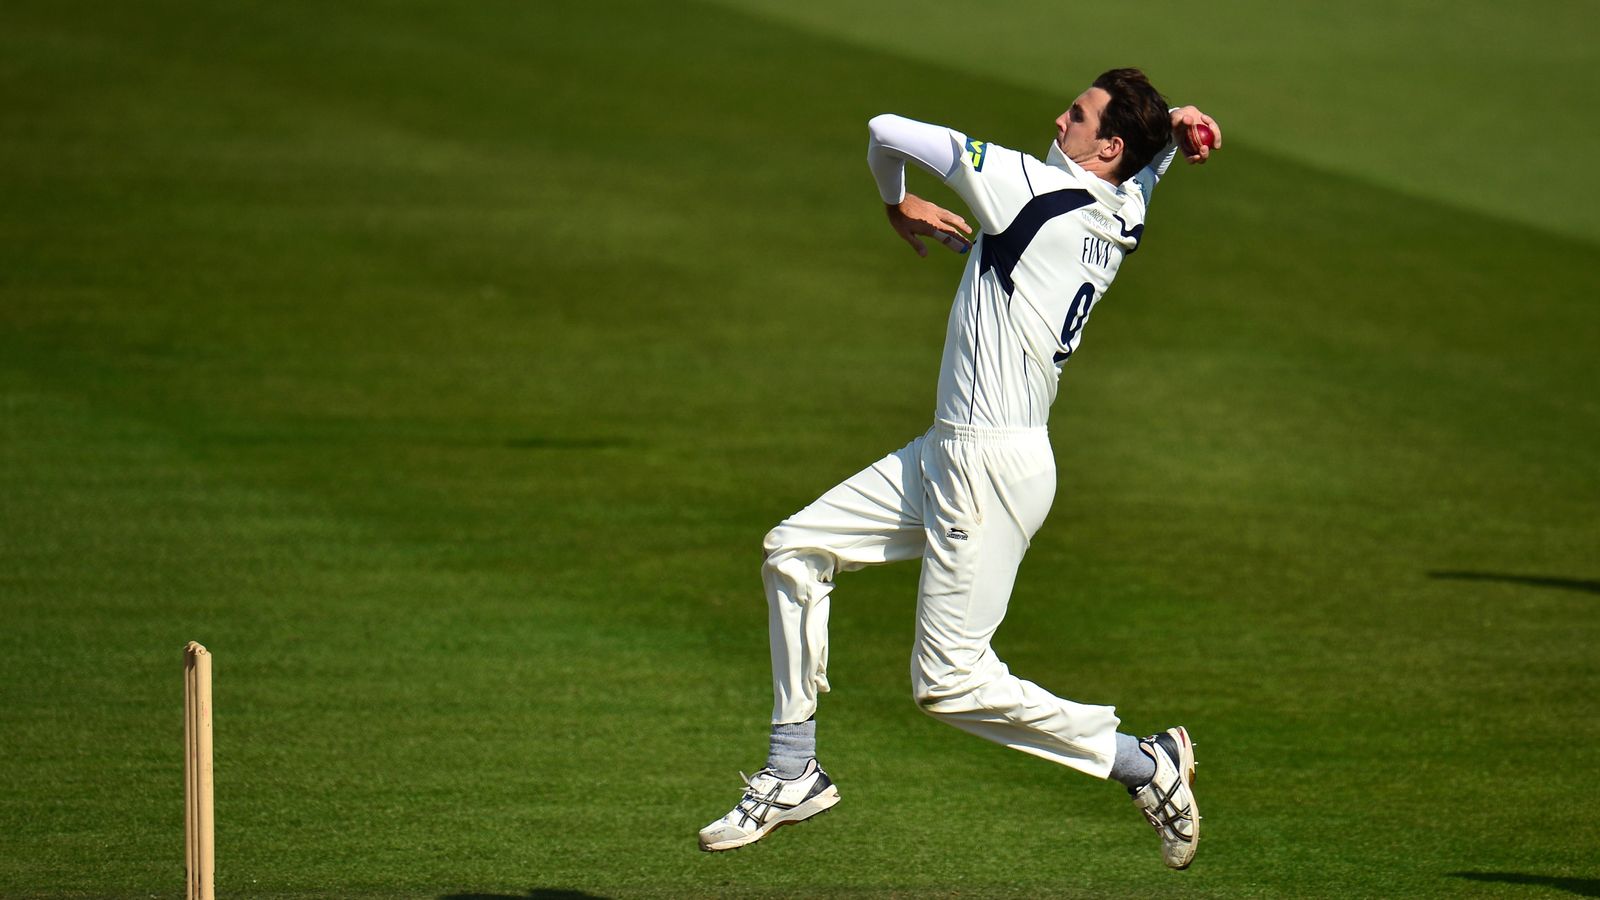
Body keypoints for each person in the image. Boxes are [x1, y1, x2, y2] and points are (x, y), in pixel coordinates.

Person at [699, 68, 1221, 870]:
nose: (1060, 117)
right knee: (793, 550)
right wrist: (1172, 135)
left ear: (1107, 146)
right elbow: (1142, 172)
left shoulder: (1026, 187)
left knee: (947, 684)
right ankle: (790, 766)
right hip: (953, 447)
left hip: (988, 468)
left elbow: (883, 128)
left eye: (1078, 116)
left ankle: (1141, 763)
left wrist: (892, 200)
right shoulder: (1123, 211)